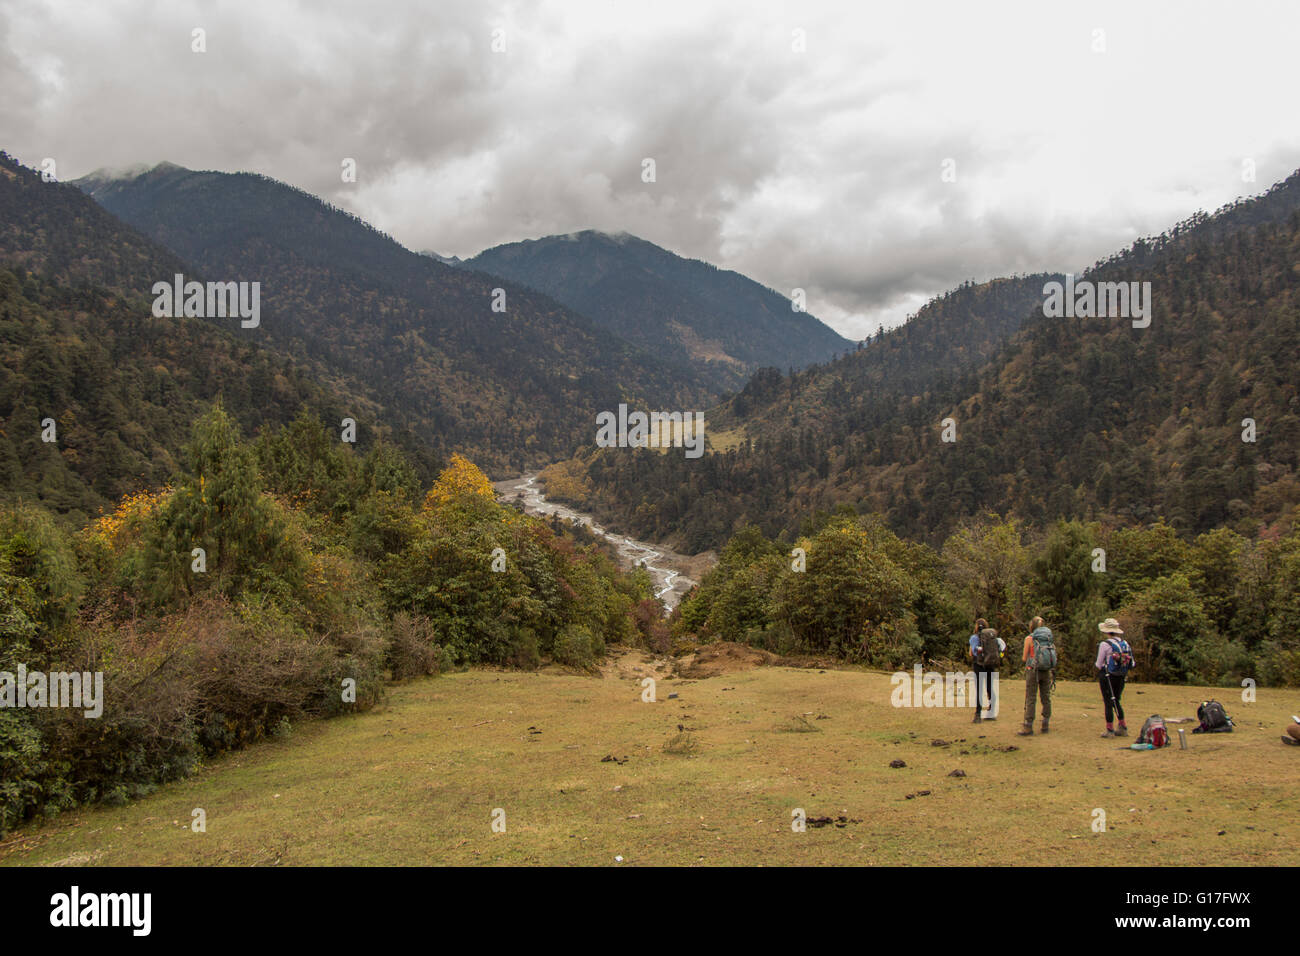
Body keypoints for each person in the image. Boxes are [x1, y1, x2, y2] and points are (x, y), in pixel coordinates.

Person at [1017, 616, 1056, 736]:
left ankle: (1028, 726)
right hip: (1046, 670)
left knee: (1031, 697)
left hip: (1032, 670)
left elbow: (1024, 658)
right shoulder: (1048, 638)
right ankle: (1045, 724)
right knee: (1046, 696)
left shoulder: (1029, 638)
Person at [1095, 618, 1131, 738]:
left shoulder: (1105, 644)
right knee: (1116, 700)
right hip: (1121, 676)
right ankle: (1123, 726)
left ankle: (1109, 729)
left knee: (1108, 702)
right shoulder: (1125, 644)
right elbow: (1133, 663)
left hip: (1107, 675)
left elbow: (1098, 664)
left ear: (1107, 631)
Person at [968, 618, 1004, 722]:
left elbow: (972, 653)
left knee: (979, 689)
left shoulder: (974, 638)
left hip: (978, 665)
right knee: (990, 688)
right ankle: (991, 712)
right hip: (990, 664)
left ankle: (978, 714)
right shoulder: (992, 637)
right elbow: (1001, 648)